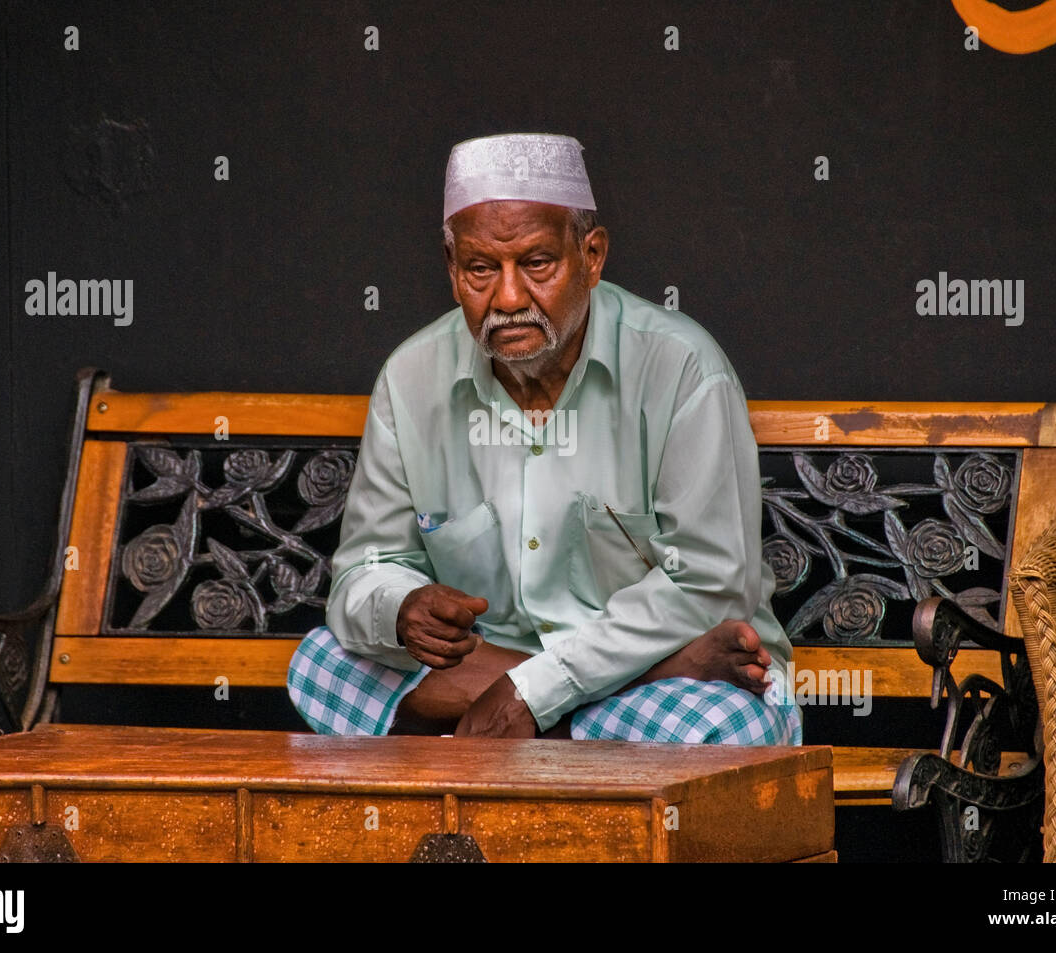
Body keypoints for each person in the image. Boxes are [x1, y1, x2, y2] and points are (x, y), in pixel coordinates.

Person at [287, 132, 800, 744]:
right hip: (573, 683)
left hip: (679, 693)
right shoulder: (410, 377)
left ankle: (536, 720)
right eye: (481, 269)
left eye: (536, 264)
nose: (507, 298)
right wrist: (400, 609)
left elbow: (710, 585)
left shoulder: (681, 368)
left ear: (592, 255)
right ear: (452, 272)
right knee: (320, 663)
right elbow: (362, 574)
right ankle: (582, 711)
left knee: (725, 728)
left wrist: (535, 692)